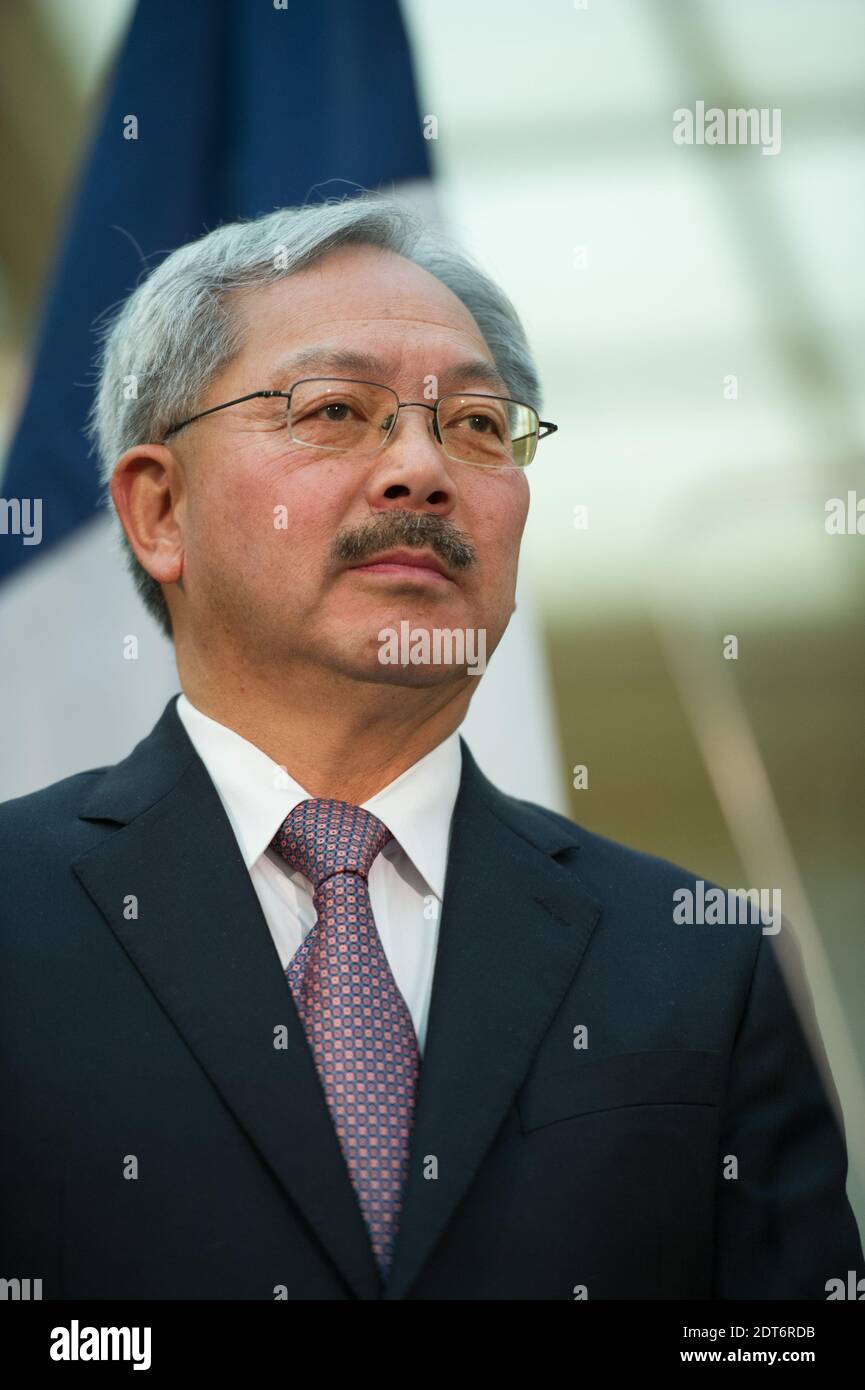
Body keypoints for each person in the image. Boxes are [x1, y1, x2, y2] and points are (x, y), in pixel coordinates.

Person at [0, 193, 861, 1300]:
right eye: (333, 410)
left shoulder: (700, 964)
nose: (422, 469)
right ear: (160, 511)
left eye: (475, 425)